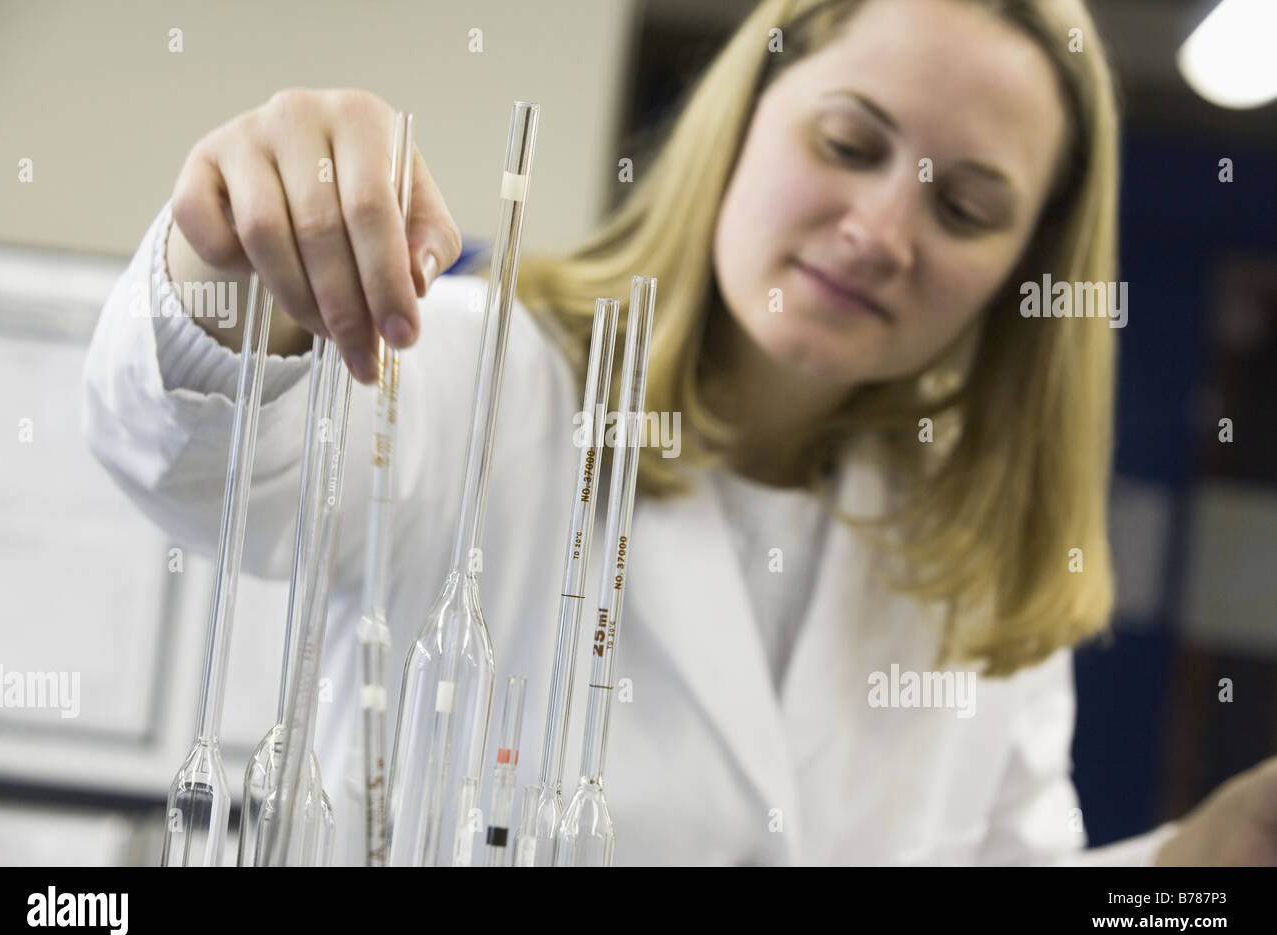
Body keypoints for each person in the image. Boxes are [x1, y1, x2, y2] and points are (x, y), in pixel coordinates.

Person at [83, 0, 1277, 866]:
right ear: (742, 120)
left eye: (964, 206)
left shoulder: (972, 550)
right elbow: (198, 460)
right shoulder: (486, 378)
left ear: (1022, 270)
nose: (878, 229)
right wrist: (232, 261)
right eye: (848, 144)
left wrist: (1189, 870)